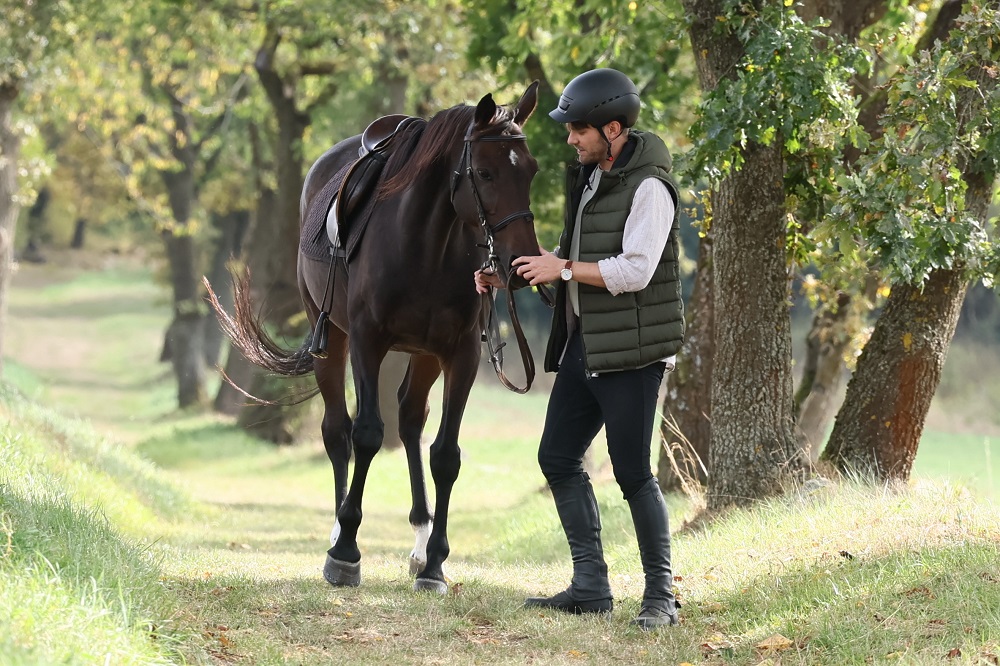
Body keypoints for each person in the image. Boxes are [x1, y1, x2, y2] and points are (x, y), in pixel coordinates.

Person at [475, 68, 684, 630]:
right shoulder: (592, 179)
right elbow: (571, 261)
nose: (571, 139)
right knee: (558, 458)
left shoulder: (650, 189)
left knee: (636, 473)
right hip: (587, 345)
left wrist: (562, 266)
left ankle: (661, 597)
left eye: (579, 131)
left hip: (633, 355)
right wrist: (516, 275)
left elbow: (636, 272)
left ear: (612, 128)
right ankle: (590, 585)